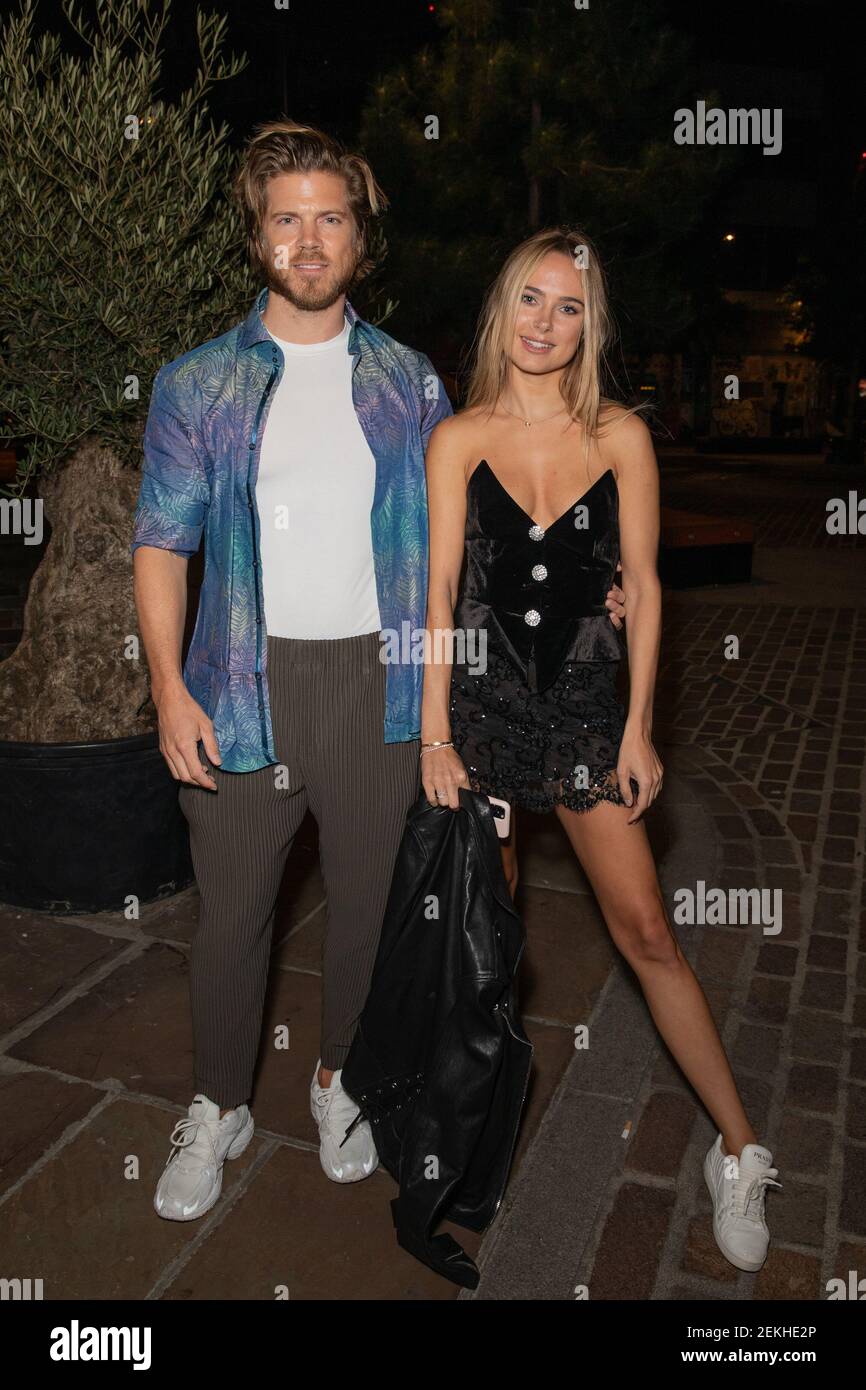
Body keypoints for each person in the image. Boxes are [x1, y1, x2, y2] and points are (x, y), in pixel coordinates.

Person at [131, 119, 630, 1221]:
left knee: (366, 905)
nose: (308, 241)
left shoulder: (407, 381)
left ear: (360, 237)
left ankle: (336, 1082)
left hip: (383, 685)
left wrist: (601, 577)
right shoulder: (196, 383)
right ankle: (216, 1106)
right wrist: (169, 686)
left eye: (330, 219)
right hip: (239, 684)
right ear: (257, 237)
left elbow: (481, 531)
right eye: (285, 220)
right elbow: (162, 543)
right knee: (232, 916)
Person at [419, 226, 782, 1274]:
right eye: (529, 300)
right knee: (485, 947)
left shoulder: (620, 433)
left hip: (584, 710)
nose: (544, 322)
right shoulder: (456, 439)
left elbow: (646, 583)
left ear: (589, 324)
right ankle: (465, 1148)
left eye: (567, 306)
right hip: (481, 720)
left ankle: (738, 1145)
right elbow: (437, 594)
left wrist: (637, 728)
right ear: (502, 311)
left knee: (647, 932)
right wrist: (435, 733)